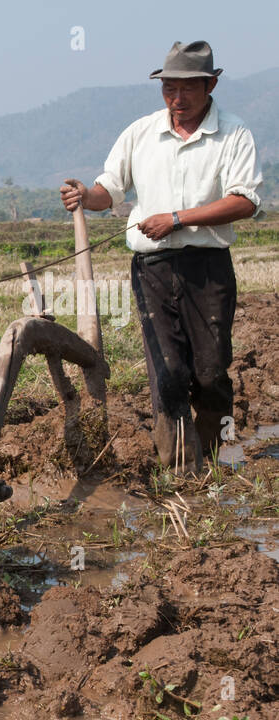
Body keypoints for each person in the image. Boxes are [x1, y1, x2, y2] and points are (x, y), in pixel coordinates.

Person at [60, 41, 262, 472]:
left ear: (211, 84)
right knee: (167, 373)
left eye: (188, 88)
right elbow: (108, 191)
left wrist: (177, 218)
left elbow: (244, 201)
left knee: (210, 375)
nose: (177, 98)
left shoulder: (234, 133)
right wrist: (85, 194)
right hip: (152, 268)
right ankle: (179, 470)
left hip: (208, 271)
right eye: (169, 87)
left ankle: (208, 456)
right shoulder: (140, 133)